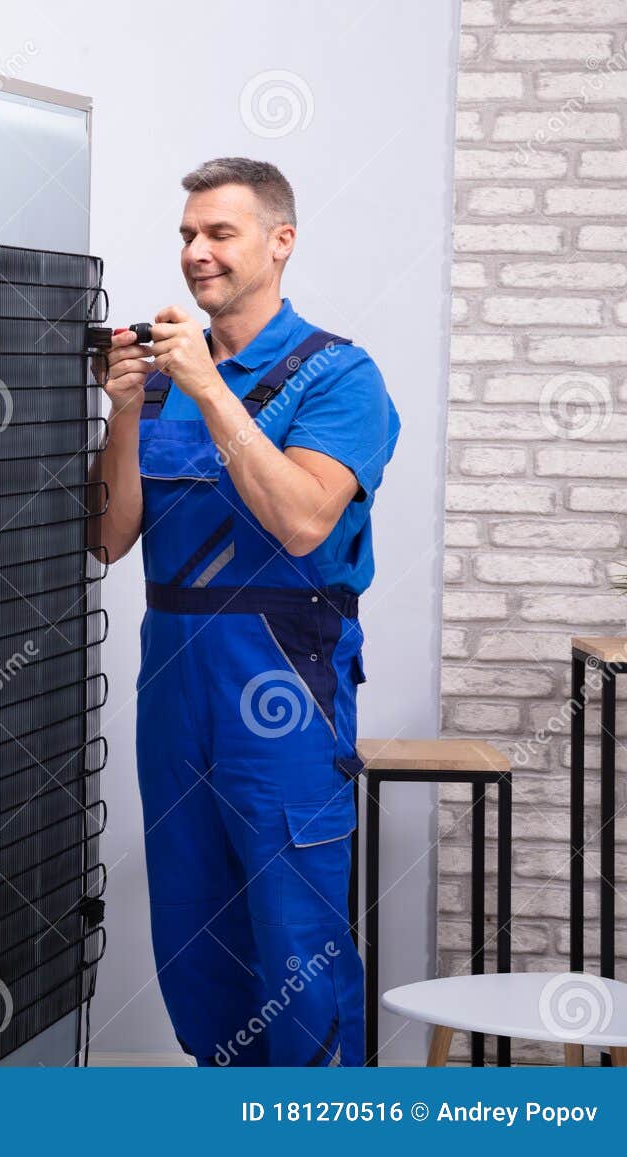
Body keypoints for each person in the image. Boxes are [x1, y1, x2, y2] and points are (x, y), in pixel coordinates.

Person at [92, 157, 400, 1066]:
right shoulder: (156, 378)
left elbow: (304, 521)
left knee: (295, 934)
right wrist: (120, 412)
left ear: (279, 242)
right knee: (197, 941)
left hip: (282, 690)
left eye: (219, 233)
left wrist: (210, 389)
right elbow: (111, 540)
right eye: (187, 234)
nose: (196, 252)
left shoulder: (339, 377)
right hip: (173, 685)